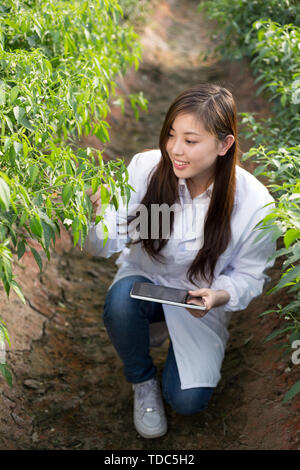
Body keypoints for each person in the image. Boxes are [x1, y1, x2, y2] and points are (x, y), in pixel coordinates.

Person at [84, 84, 276, 439]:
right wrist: (97, 216)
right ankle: (142, 379)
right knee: (121, 304)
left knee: (187, 401)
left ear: (224, 145)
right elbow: (105, 244)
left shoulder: (255, 204)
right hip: (147, 279)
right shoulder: (147, 168)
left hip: (198, 301)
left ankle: (172, 337)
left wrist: (219, 296)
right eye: (171, 135)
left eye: (190, 140)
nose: (175, 149)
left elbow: (251, 275)